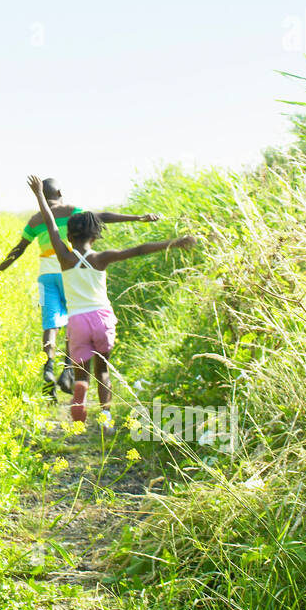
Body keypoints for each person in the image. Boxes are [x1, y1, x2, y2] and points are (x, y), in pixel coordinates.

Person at [26, 174, 196, 427]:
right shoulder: (101, 258)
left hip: (78, 323)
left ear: (69, 237)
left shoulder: (65, 257)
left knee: (82, 372)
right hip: (102, 319)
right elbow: (138, 250)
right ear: (94, 237)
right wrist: (175, 243)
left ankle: (78, 409)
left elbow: (51, 225)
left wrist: (39, 194)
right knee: (102, 371)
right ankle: (106, 415)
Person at [0, 177, 160, 393]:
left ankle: (47, 368)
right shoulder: (72, 210)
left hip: (46, 276)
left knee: (50, 325)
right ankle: (67, 370)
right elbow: (100, 217)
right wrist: (137, 218)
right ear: (59, 193)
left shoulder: (35, 220)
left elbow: (19, 249)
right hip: (69, 271)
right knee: (74, 320)